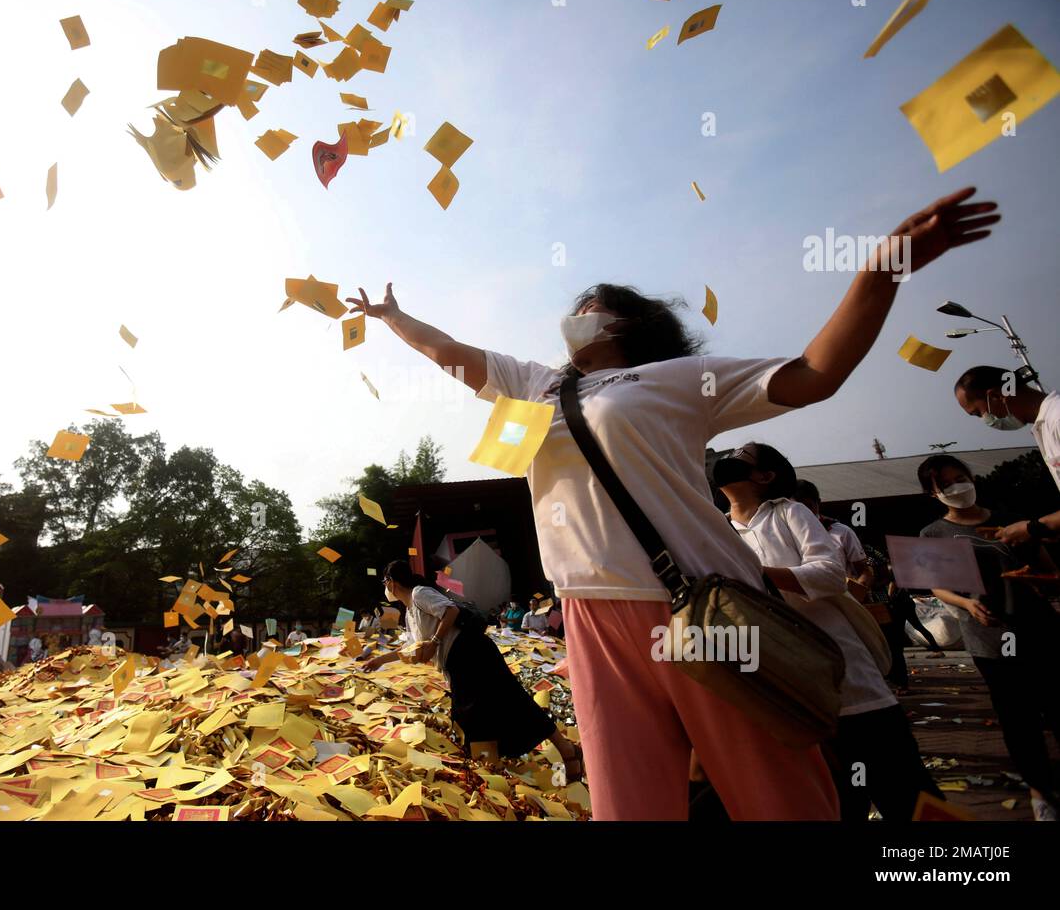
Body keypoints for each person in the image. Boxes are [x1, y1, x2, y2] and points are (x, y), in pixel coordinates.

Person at [345, 187, 997, 818]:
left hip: (699, 603)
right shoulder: (537, 385)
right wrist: (393, 318)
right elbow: (450, 354)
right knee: (629, 805)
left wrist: (883, 271)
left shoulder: (678, 380)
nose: (576, 315)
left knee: (777, 797)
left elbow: (814, 374)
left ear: (627, 322)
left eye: (591, 305)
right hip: (589, 616)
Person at [717, 442, 942, 821]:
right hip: (784, 690)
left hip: (848, 680)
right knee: (832, 805)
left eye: (742, 458)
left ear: (765, 476)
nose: (727, 462)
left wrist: (757, 577)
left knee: (909, 795)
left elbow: (830, 573)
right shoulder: (715, 528)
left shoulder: (789, 512)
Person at [917, 453, 1060, 821]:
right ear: (932, 493)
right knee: (1019, 721)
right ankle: (1040, 792)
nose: (957, 487)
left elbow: (1048, 568)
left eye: (960, 476)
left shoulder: (1010, 518)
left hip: (1039, 629)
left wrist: (1032, 577)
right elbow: (937, 587)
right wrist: (966, 604)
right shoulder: (933, 535)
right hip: (988, 640)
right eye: (945, 484)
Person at [362, 561, 583, 777]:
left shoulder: (419, 594)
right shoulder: (409, 612)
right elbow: (409, 646)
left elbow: (450, 611)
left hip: (472, 652)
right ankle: (491, 766)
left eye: (385, 582)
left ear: (391, 583)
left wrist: (435, 642)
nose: (385, 588)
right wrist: (380, 660)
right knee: (476, 715)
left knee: (509, 703)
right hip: (457, 662)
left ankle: (565, 752)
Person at [953, 366, 1060, 544]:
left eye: (978, 413)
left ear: (995, 396)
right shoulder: (1044, 427)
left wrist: (1035, 527)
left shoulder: (1057, 419)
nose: (984, 419)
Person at [793, 480, 875, 597]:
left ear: (819, 503)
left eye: (809, 506)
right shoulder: (785, 536)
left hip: (842, 602)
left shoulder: (842, 532)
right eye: (799, 508)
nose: (805, 512)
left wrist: (858, 591)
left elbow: (864, 571)